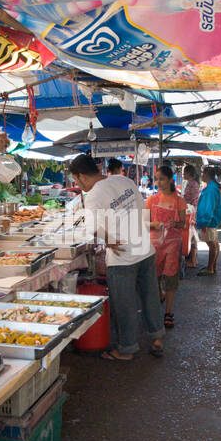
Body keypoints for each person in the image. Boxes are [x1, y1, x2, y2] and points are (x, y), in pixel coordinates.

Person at [69, 153, 164, 360]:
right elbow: (141, 209)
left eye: (76, 180)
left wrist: (107, 239)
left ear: (82, 176)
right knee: (150, 297)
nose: (77, 184)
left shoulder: (93, 194)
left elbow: (92, 227)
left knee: (125, 304)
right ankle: (157, 339)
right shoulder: (123, 179)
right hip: (144, 249)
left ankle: (126, 349)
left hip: (122, 257)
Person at [146, 164, 189, 329]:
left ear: (171, 180)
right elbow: (143, 222)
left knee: (171, 277)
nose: (159, 182)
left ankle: (168, 312)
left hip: (172, 244)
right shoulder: (151, 200)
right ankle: (159, 294)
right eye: (157, 179)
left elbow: (183, 224)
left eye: (162, 179)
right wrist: (154, 224)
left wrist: (175, 223)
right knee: (154, 276)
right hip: (154, 244)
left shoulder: (179, 201)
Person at [195, 166, 221, 276]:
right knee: (214, 243)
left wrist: (204, 222)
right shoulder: (211, 187)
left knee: (212, 244)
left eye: (202, 173)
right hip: (211, 220)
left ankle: (210, 268)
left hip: (209, 221)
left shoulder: (211, 189)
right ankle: (212, 266)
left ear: (206, 174)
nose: (201, 175)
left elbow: (208, 208)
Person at [181, 163, 201, 269]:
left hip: (191, 212)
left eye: (184, 172)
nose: (183, 174)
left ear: (189, 173)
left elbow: (195, 201)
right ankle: (193, 259)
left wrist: (193, 214)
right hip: (189, 210)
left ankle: (193, 260)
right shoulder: (189, 183)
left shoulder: (193, 184)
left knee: (192, 236)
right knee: (191, 236)